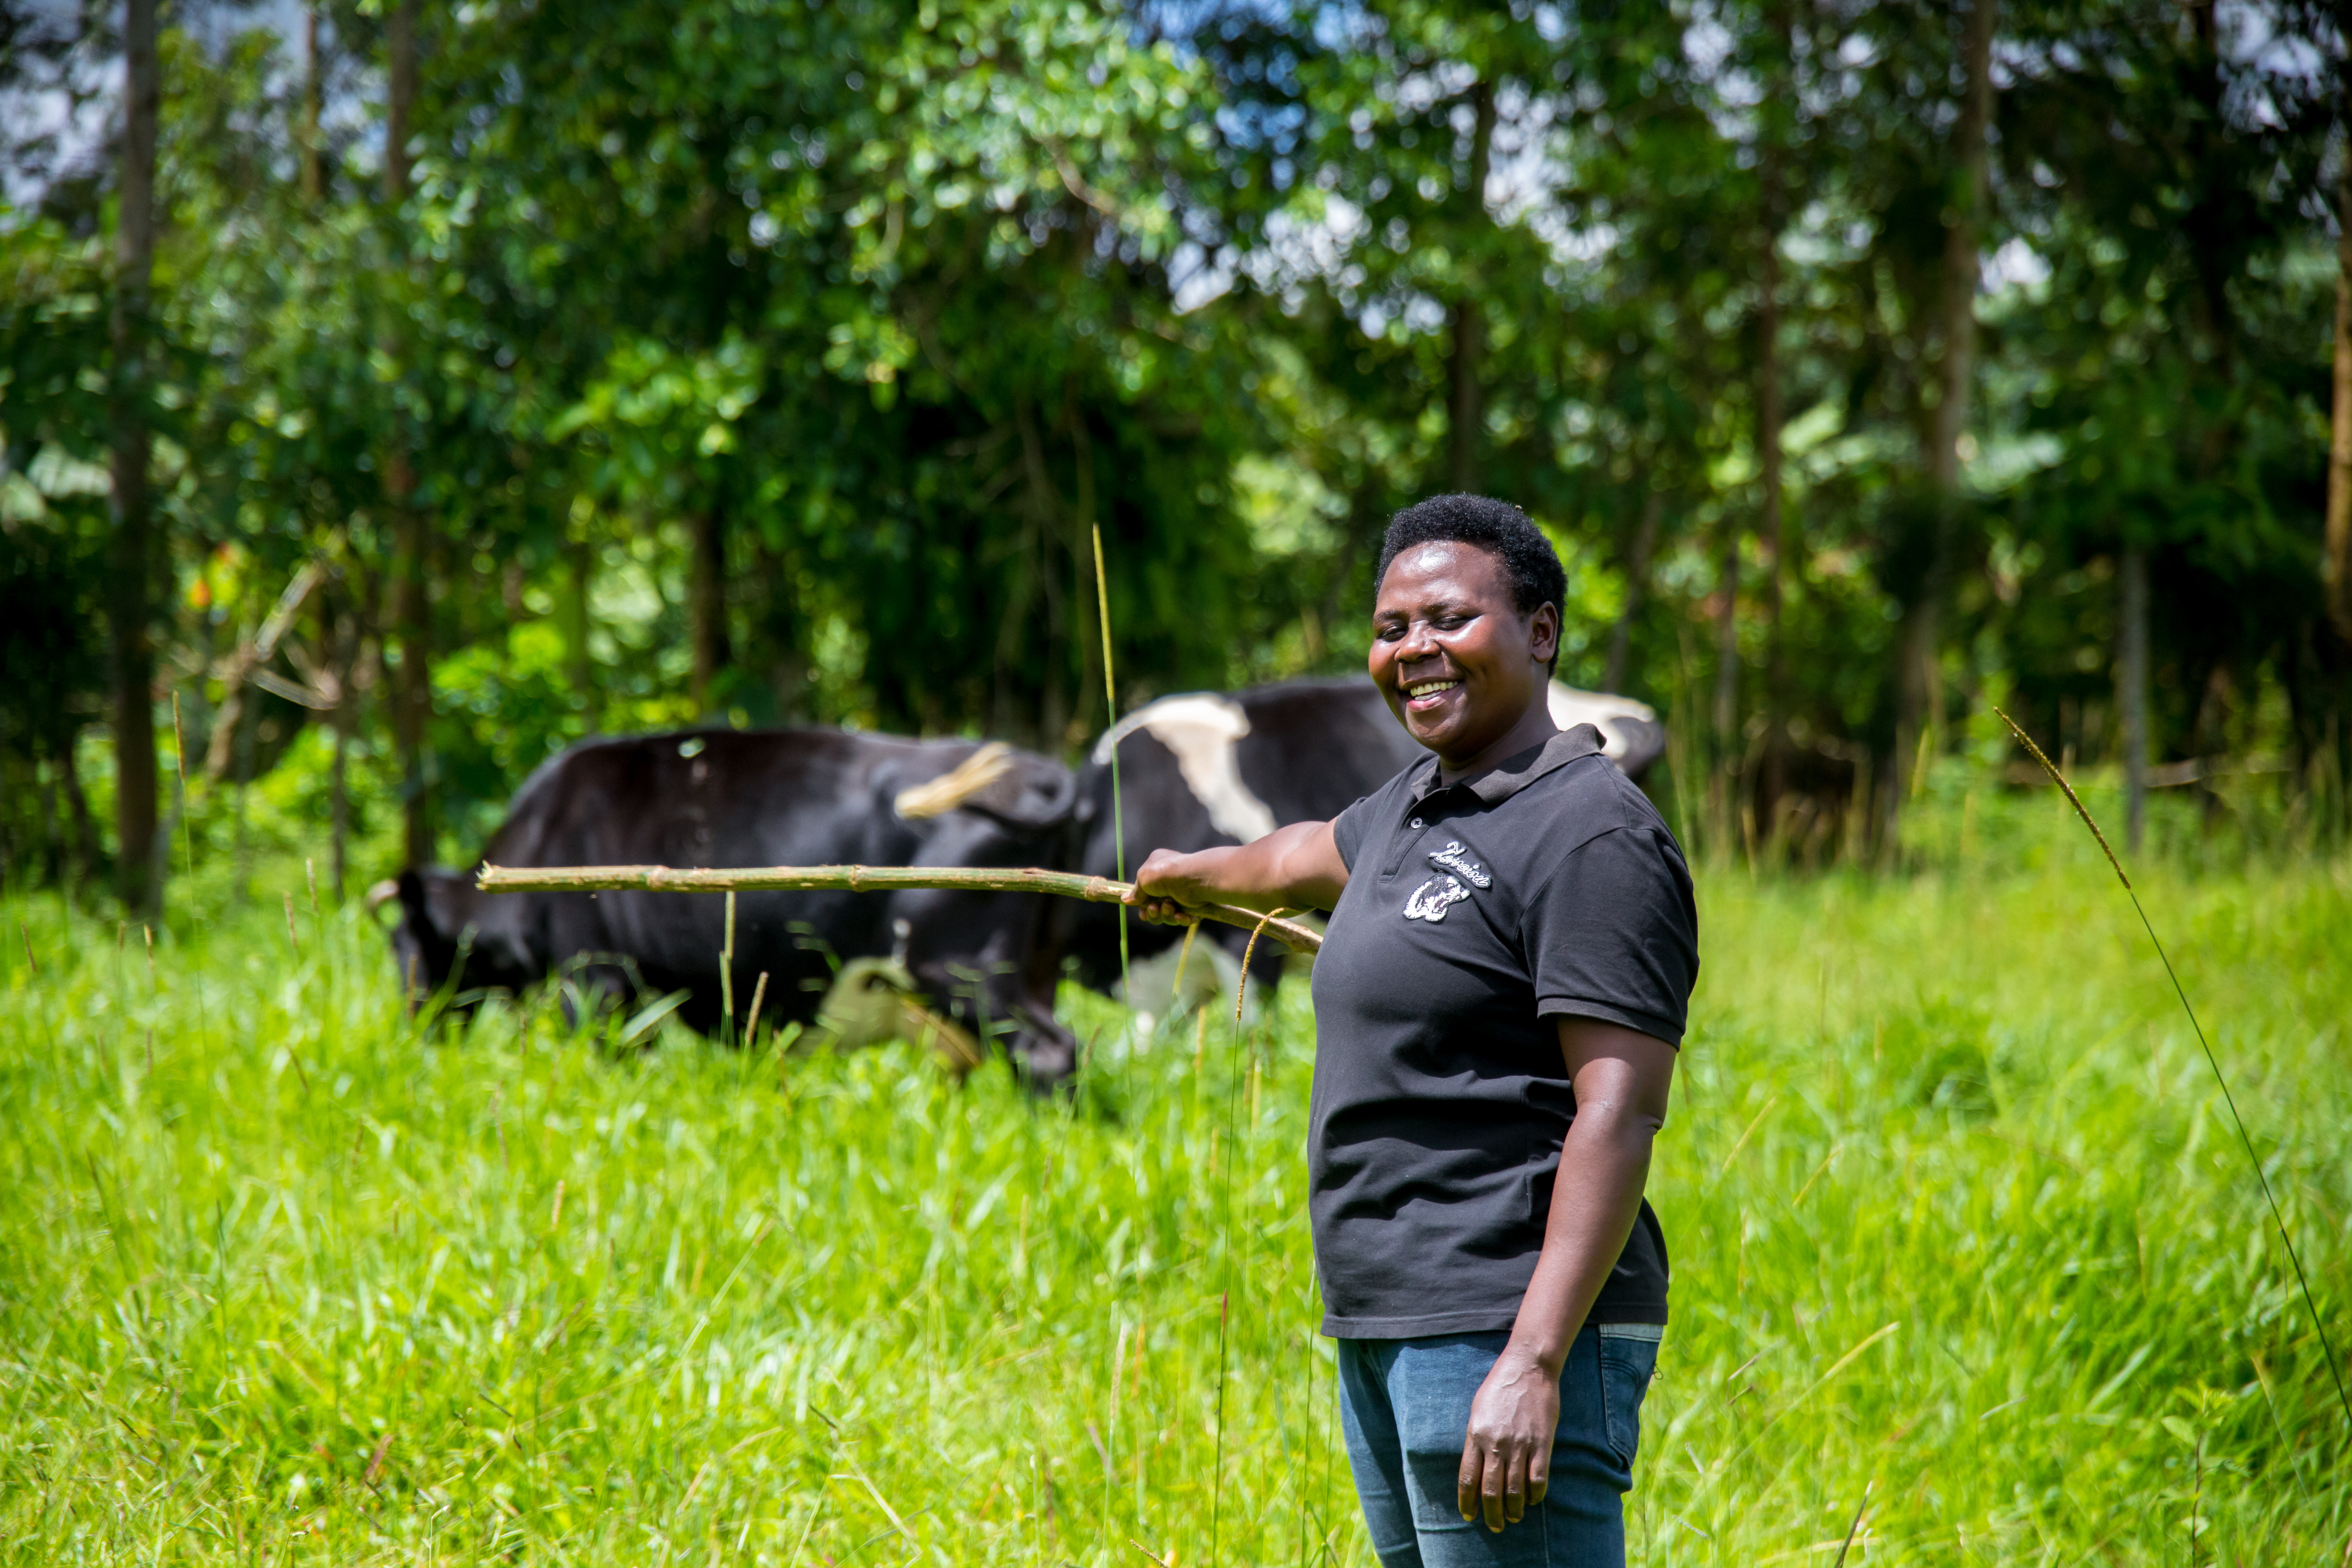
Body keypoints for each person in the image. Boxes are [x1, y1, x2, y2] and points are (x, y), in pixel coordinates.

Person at [1127, 495, 1698, 1568]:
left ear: (1541, 631)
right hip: (1390, 1318)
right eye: (1392, 629)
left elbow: (1619, 1112)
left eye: (1449, 619)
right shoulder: (1417, 806)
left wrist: (1533, 1362)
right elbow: (1298, 856)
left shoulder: (1591, 834)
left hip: (1502, 1321)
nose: (1415, 649)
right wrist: (1193, 876)